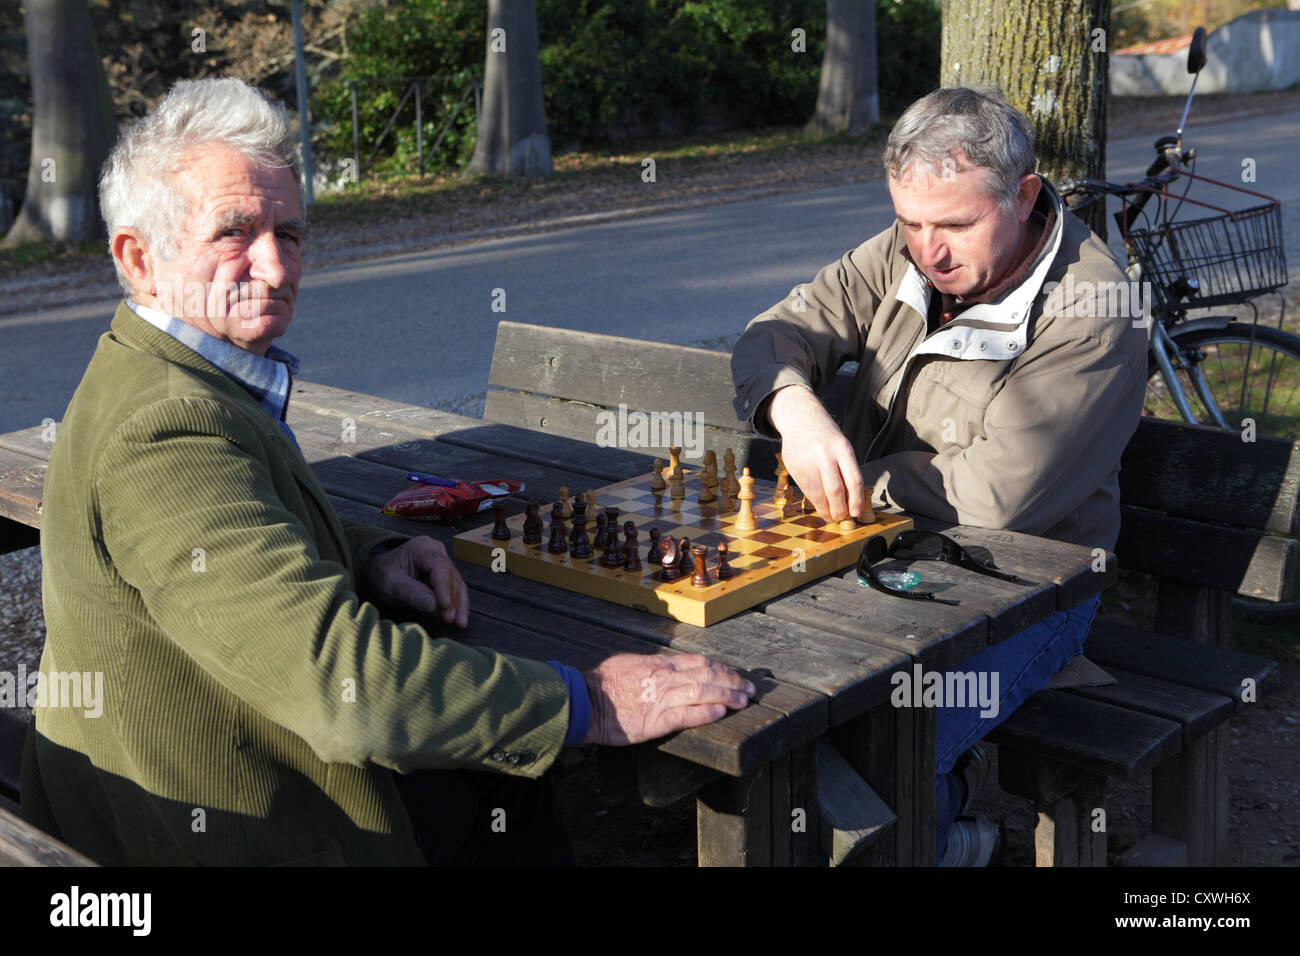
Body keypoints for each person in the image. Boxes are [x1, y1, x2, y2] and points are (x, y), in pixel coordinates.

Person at [22, 77, 754, 866]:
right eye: (234, 233)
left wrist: (369, 549)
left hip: (178, 772)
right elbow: (346, 694)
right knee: (508, 760)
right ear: (140, 259)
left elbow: (244, 531)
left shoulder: (164, 370)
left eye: (290, 233)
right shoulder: (167, 429)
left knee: (499, 770)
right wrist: (593, 701)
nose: (274, 267)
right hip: (220, 825)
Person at [731, 87, 1148, 865]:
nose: (929, 249)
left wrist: (852, 480)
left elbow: (999, 497)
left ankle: (946, 824)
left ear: (1023, 197)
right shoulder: (906, 244)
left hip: (1028, 594)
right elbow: (776, 332)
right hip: (879, 556)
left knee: (874, 759)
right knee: (761, 715)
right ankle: (941, 828)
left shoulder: (1095, 308)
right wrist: (795, 409)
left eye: (955, 224)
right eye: (911, 222)